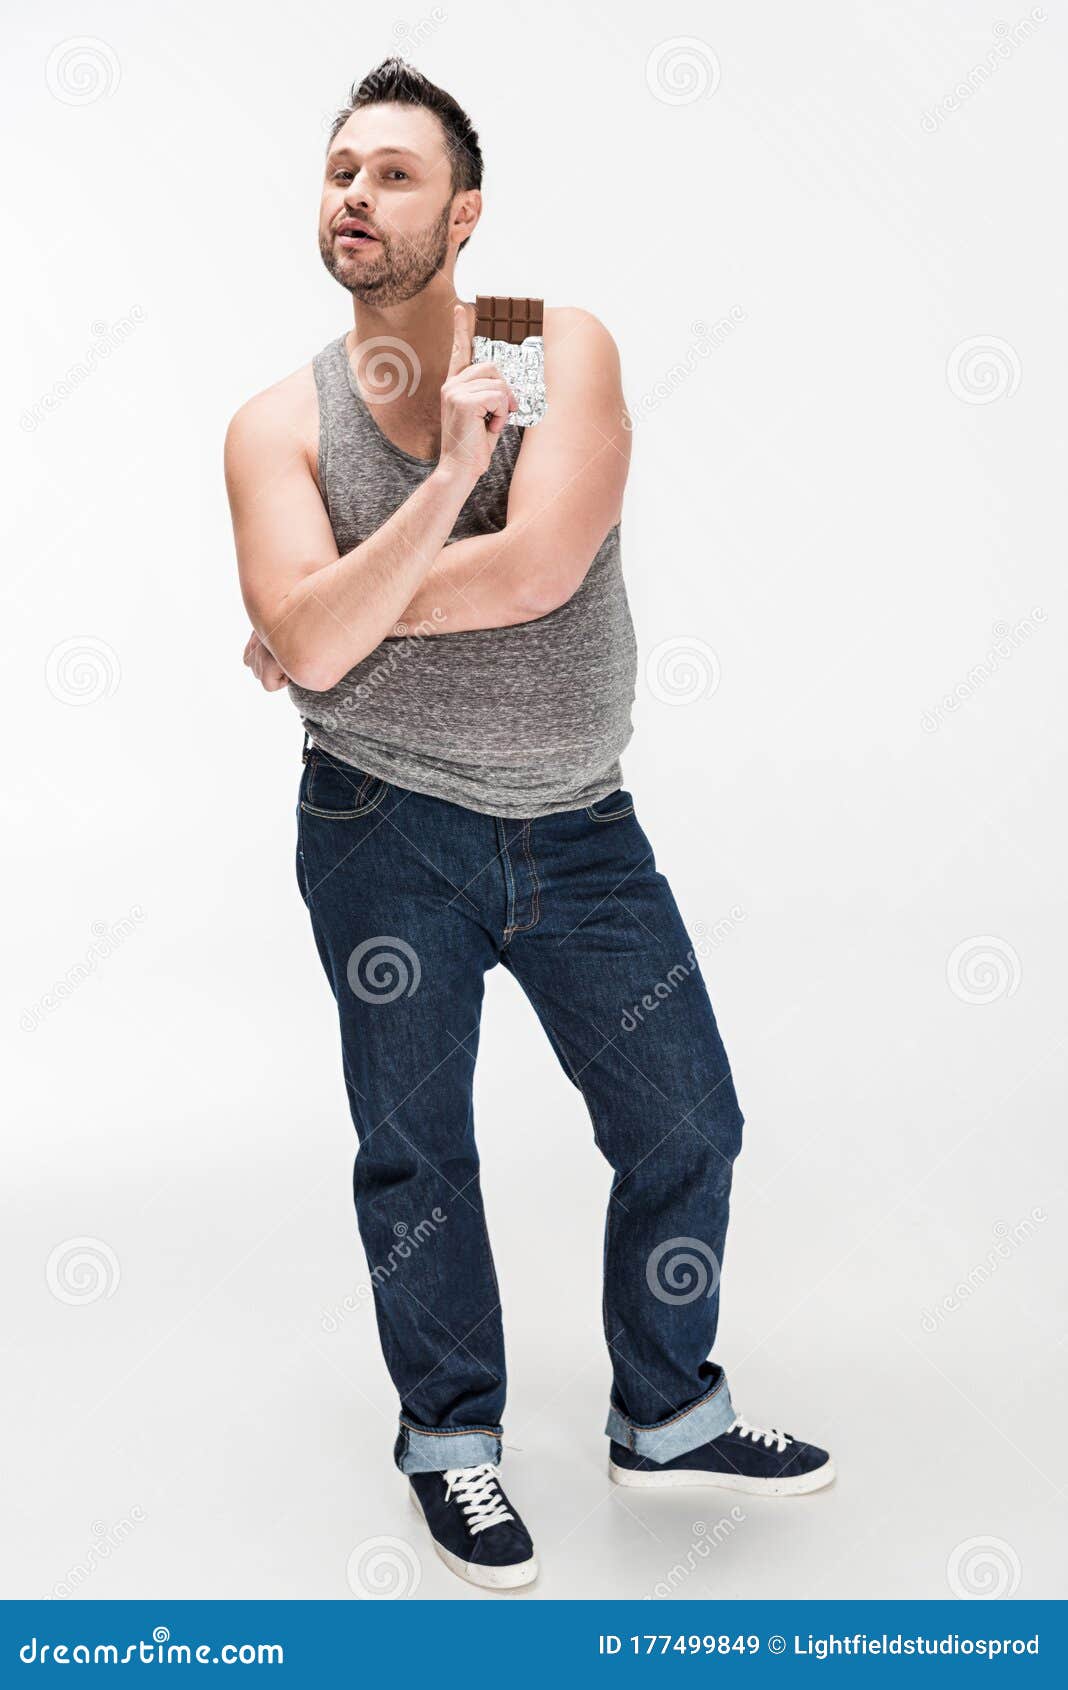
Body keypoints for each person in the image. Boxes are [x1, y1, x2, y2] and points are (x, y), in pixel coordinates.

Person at [224, 58, 833, 1592]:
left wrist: (330, 619)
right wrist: (439, 488)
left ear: (468, 211)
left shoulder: (557, 349)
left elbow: (541, 570)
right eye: (339, 170)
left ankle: (670, 1412)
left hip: (579, 825)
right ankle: (451, 1448)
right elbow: (375, 603)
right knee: (418, 1153)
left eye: (396, 173)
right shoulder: (272, 426)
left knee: (689, 1120)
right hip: (380, 824)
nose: (354, 194)